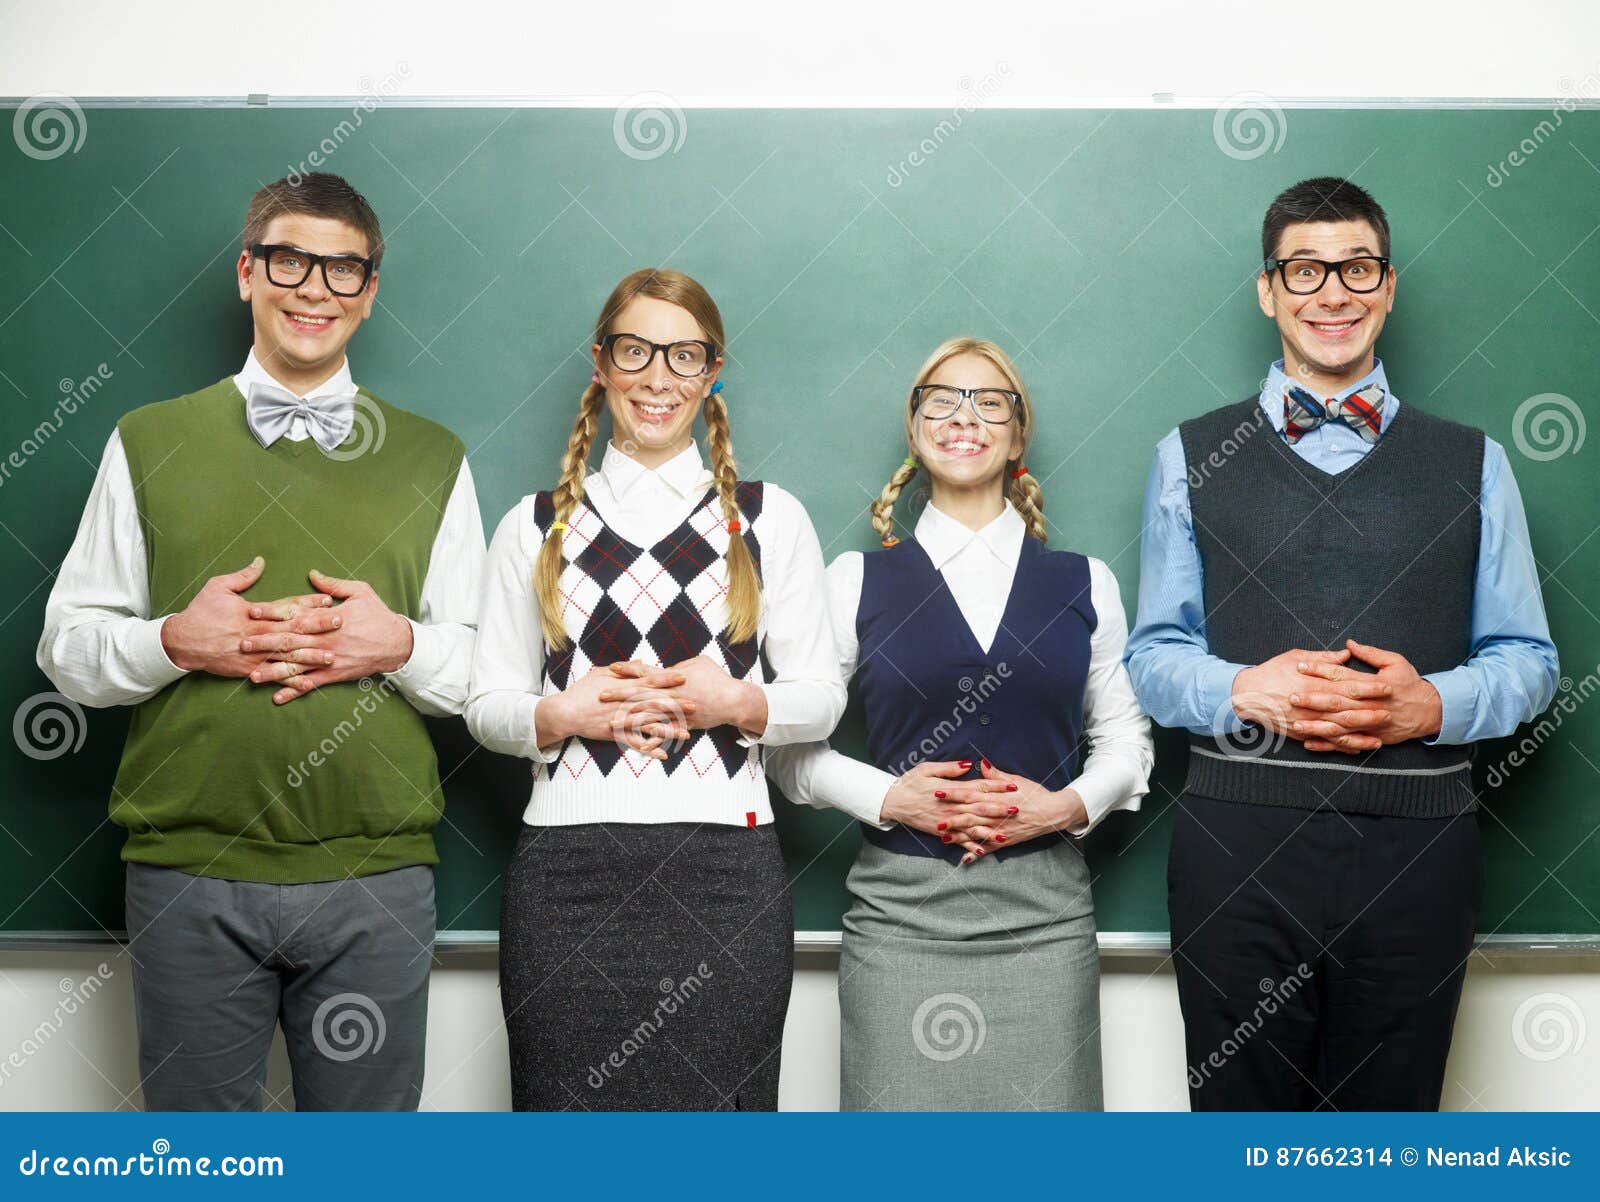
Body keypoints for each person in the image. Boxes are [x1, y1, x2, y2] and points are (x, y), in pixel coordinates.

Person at [36, 172, 484, 1111]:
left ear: (370, 293)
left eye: (344, 269)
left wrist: (398, 644)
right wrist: (172, 642)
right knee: (203, 1167)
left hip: (376, 879)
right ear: (247, 273)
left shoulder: (435, 456)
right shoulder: (147, 439)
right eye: (290, 260)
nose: (315, 288)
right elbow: (65, 650)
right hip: (187, 877)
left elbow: (489, 675)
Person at [1124, 176, 1560, 1111]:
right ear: (1269, 290)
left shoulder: (1476, 461)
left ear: (1389, 287)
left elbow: (1530, 660)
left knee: (1389, 1142)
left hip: (1419, 851)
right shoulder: (1187, 455)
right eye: (1306, 270)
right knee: (1242, 1143)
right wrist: (1244, 690)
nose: (1334, 293)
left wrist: (1433, 704)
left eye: (1356, 268)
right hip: (1236, 847)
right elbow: (1152, 657)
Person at [465, 267, 843, 1111]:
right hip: (568, 876)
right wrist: (558, 713)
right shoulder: (533, 525)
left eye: (685, 355)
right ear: (601, 364)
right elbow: (485, 705)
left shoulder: (765, 517)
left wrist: (736, 702)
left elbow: (821, 696)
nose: (658, 376)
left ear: (713, 373)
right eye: (636, 350)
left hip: (725, 873)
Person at [766, 337, 1153, 1111]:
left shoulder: (1085, 583)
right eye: (941, 399)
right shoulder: (855, 582)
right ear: (914, 431)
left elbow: (1127, 745)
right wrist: (890, 799)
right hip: (899, 917)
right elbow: (785, 747)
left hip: (1044, 922)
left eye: (989, 402)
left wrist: (1061, 808)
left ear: (1017, 436)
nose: (964, 417)